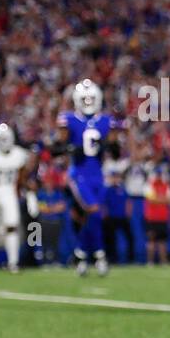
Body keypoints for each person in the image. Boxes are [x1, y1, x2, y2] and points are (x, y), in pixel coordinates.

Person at [59, 79, 118, 276]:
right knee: (93, 211)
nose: (87, 101)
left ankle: (81, 253)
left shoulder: (105, 121)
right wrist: (70, 148)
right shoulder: (69, 119)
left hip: (98, 175)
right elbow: (58, 146)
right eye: (84, 98)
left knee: (95, 216)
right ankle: (100, 255)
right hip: (79, 174)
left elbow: (116, 150)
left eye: (91, 98)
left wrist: (110, 145)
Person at [0, 123, 32, 273]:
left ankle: (13, 262)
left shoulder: (18, 154)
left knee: (11, 226)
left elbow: (22, 177)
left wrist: (27, 190)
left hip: (8, 192)